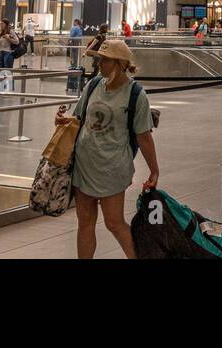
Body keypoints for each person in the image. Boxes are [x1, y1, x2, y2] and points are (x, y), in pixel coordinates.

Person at [53, 39, 158, 258]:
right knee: (85, 223)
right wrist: (63, 120)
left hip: (112, 168)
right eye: (99, 59)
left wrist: (154, 170)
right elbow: (79, 118)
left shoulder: (136, 95)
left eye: (105, 60)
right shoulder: (93, 86)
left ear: (120, 63)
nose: (100, 64)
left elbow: (144, 136)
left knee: (114, 222)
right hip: (84, 165)